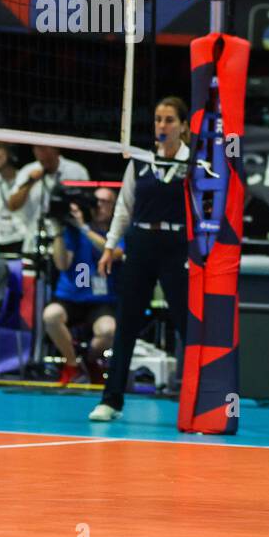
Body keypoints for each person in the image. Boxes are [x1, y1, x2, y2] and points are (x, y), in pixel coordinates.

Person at [88, 100, 190, 423]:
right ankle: (111, 400)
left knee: (187, 324)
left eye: (170, 120)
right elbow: (123, 207)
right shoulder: (140, 162)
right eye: (158, 119)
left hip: (178, 245)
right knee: (126, 323)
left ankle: (197, 399)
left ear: (184, 126)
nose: (162, 126)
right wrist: (109, 247)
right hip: (141, 243)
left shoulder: (196, 164)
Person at [44, 188, 117, 386]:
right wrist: (58, 232)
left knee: (109, 330)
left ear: (114, 206)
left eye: (105, 202)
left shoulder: (116, 231)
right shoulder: (71, 232)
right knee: (51, 316)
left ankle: (90, 361)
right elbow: (61, 264)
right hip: (71, 297)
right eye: (97, 201)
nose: (99, 206)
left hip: (101, 301)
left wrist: (85, 228)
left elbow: (114, 252)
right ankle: (72, 364)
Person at [6, 145, 91, 250]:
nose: (42, 154)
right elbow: (12, 205)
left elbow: (87, 206)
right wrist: (30, 182)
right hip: (34, 238)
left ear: (56, 149)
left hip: (68, 237)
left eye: (45, 149)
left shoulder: (76, 171)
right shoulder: (28, 171)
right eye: (38, 148)